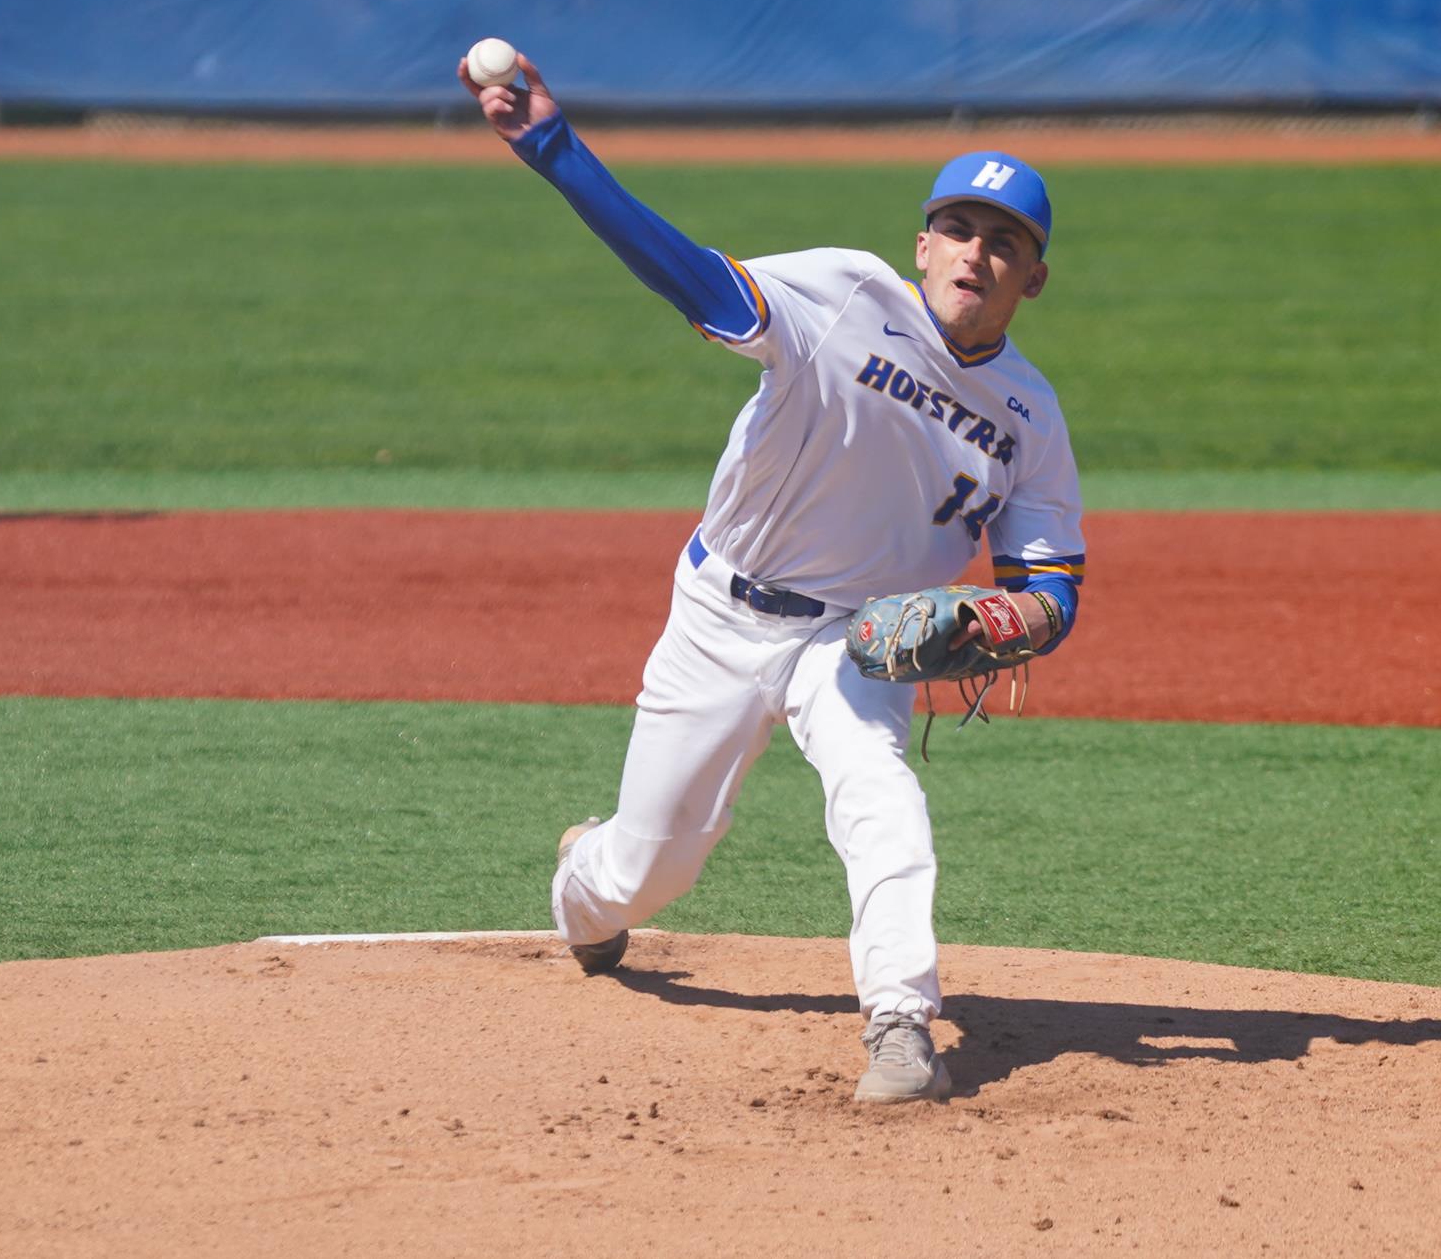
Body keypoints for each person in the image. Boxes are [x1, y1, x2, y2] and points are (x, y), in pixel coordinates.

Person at [462, 54, 1086, 1104]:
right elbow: (688, 276)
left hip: (852, 640)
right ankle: (585, 881)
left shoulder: (1031, 418)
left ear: (1033, 277)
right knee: (646, 873)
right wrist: (551, 148)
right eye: (961, 228)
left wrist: (1013, 611)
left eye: (1006, 241)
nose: (977, 251)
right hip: (720, 609)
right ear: (922, 244)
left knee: (880, 795)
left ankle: (898, 1024)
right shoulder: (840, 293)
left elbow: (1053, 584)